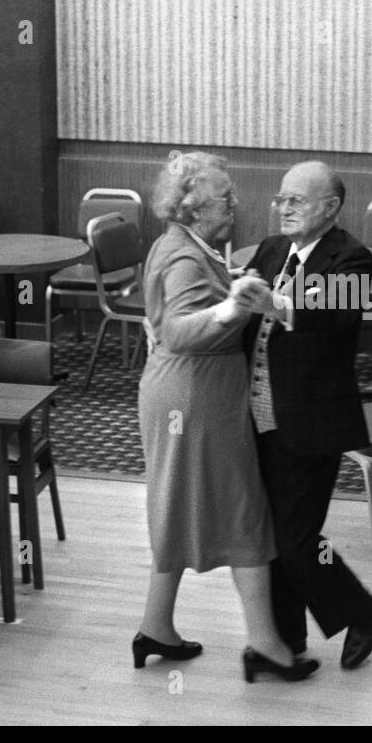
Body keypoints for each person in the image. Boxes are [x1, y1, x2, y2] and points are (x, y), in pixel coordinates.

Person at [135, 151, 319, 683]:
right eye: (224, 198)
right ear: (192, 208)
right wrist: (235, 306)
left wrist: (232, 280)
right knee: (245, 512)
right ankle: (265, 643)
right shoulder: (185, 258)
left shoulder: (186, 246)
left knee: (174, 508)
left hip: (188, 396)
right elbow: (179, 331)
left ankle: (156, 628)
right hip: (196, 401)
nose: (234, 205)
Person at [241, 161, 372, 670]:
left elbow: (335, 310)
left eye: (296, 200)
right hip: (255, 419)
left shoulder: (353, 259)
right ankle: (284, 641)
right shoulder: (272, 249)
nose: (283, 207)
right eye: (281, 198)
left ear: (330, 207)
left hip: (313, 423)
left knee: (297, 540)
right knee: (270, 534)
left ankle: (359, 609)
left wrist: (273, 303)